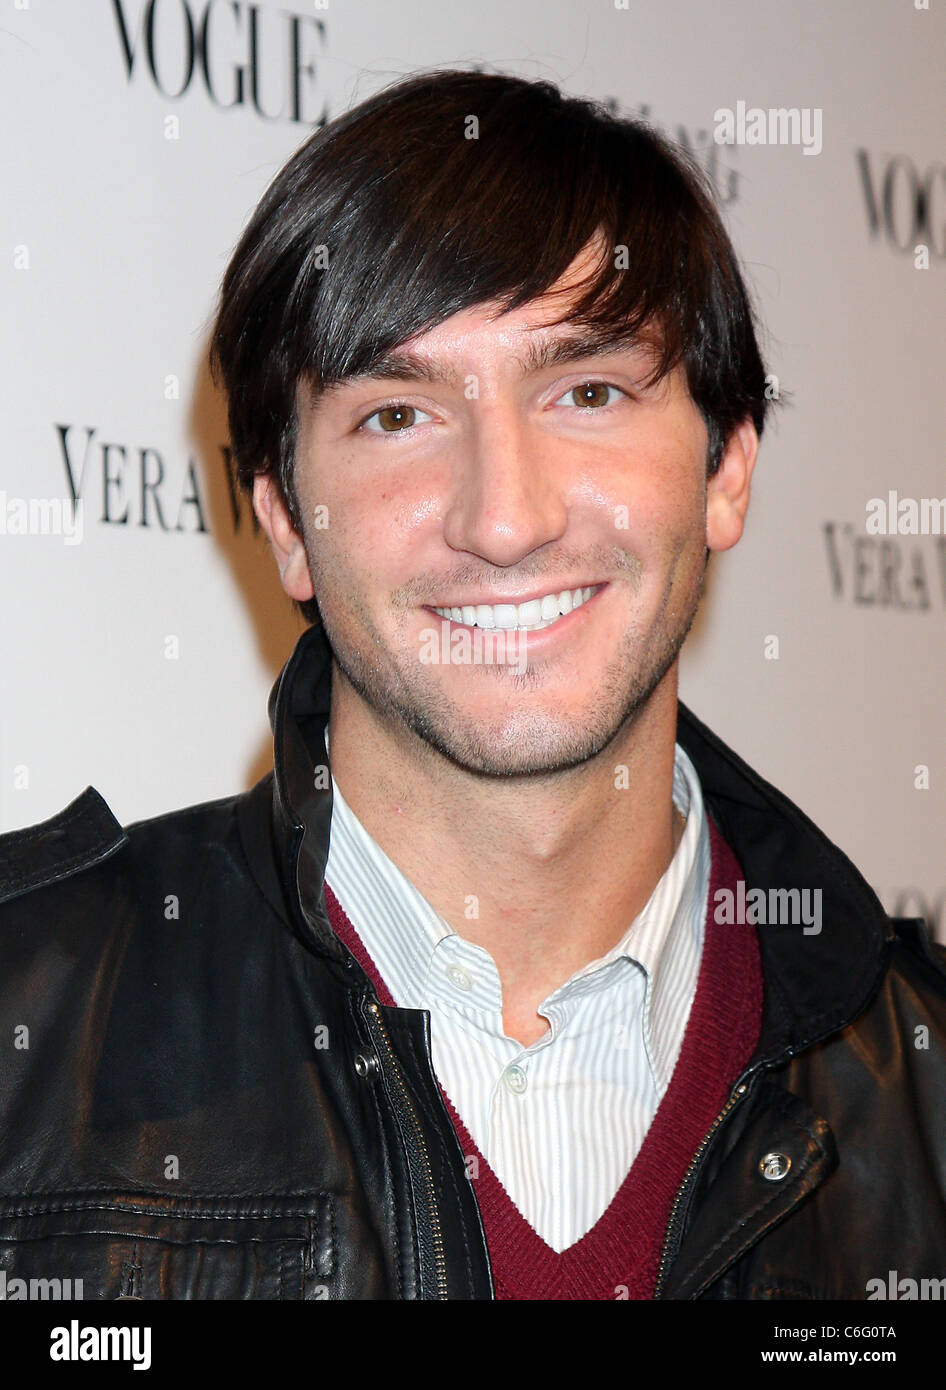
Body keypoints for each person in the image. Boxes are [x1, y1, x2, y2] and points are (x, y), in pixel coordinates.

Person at [1, 68, 944, 1303]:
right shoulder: (27, 1027)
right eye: (397, 415)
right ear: (285, 520)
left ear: (726, 470)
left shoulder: (918, 1087)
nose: (505, 518)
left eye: (589, 392)